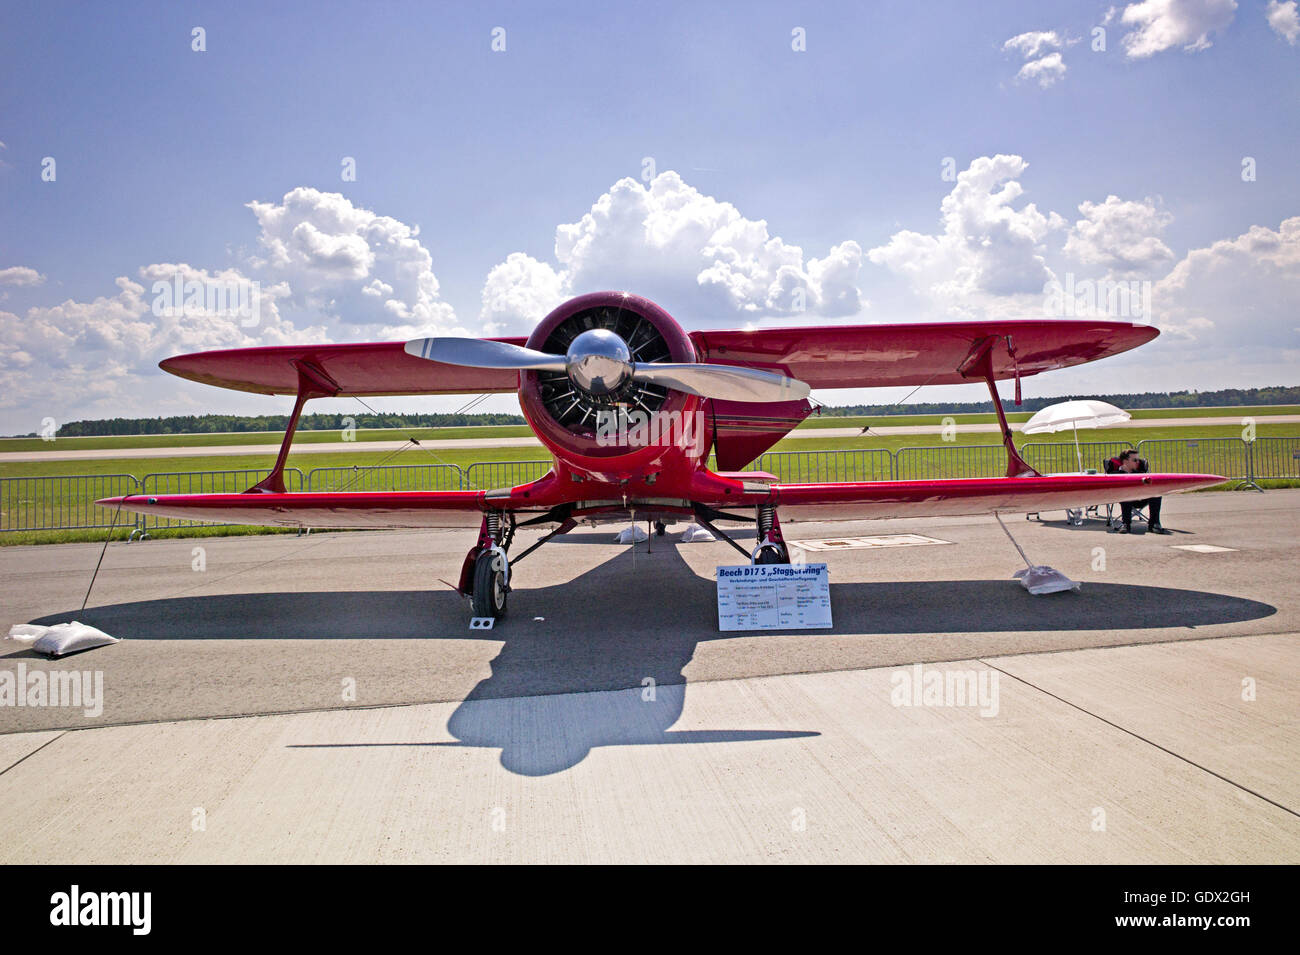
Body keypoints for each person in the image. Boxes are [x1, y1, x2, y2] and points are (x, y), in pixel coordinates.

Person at [1104, 450, 1170, 534]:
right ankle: (1126, 524)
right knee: (1126, 494)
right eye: (1135, 460)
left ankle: (1154, 524)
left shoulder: (1140, 472)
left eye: (1138, 460)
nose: (1138, 462)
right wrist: (1123, 473)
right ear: (1125, 461)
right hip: (1124, 498)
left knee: (1156, 494)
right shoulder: (1115, 474)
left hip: (1141, 497)